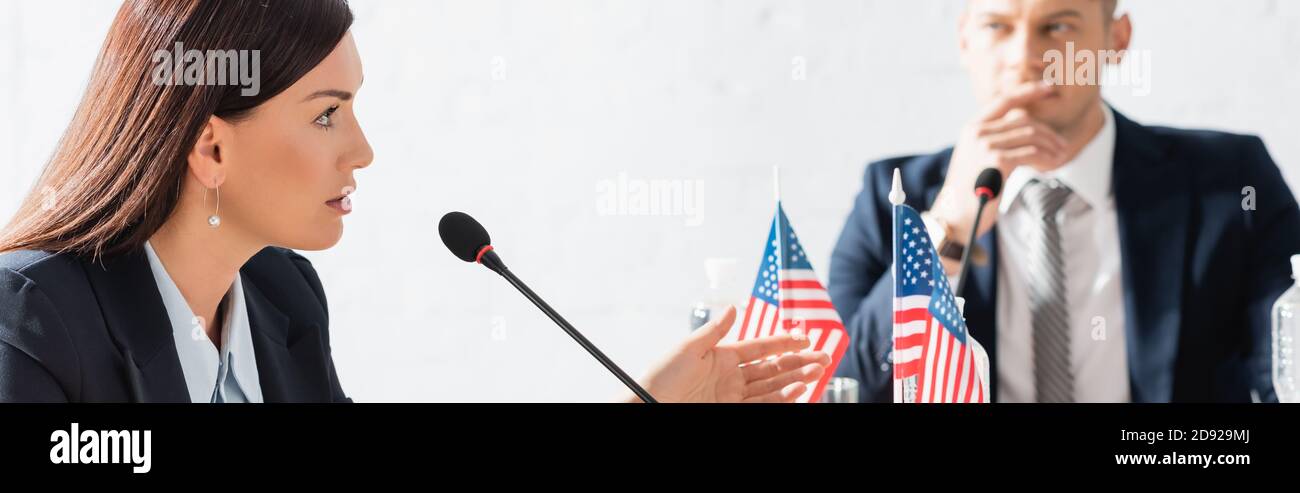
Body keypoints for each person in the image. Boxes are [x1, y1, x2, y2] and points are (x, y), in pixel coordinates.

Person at [0, 0, 830, 403]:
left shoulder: (283, 297)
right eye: (326, 113)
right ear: (211, 147)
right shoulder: (36, 316)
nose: (361, 150)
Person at [829, 0, 1300, 402]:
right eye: (997, 26)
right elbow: (850, 386)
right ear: (965, 40)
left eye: (1057, 27)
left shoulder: (1232, 179)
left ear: (1117, 39)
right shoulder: (892, 197)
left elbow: (1287, 374)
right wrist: (947, 227)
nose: (1026, 58)